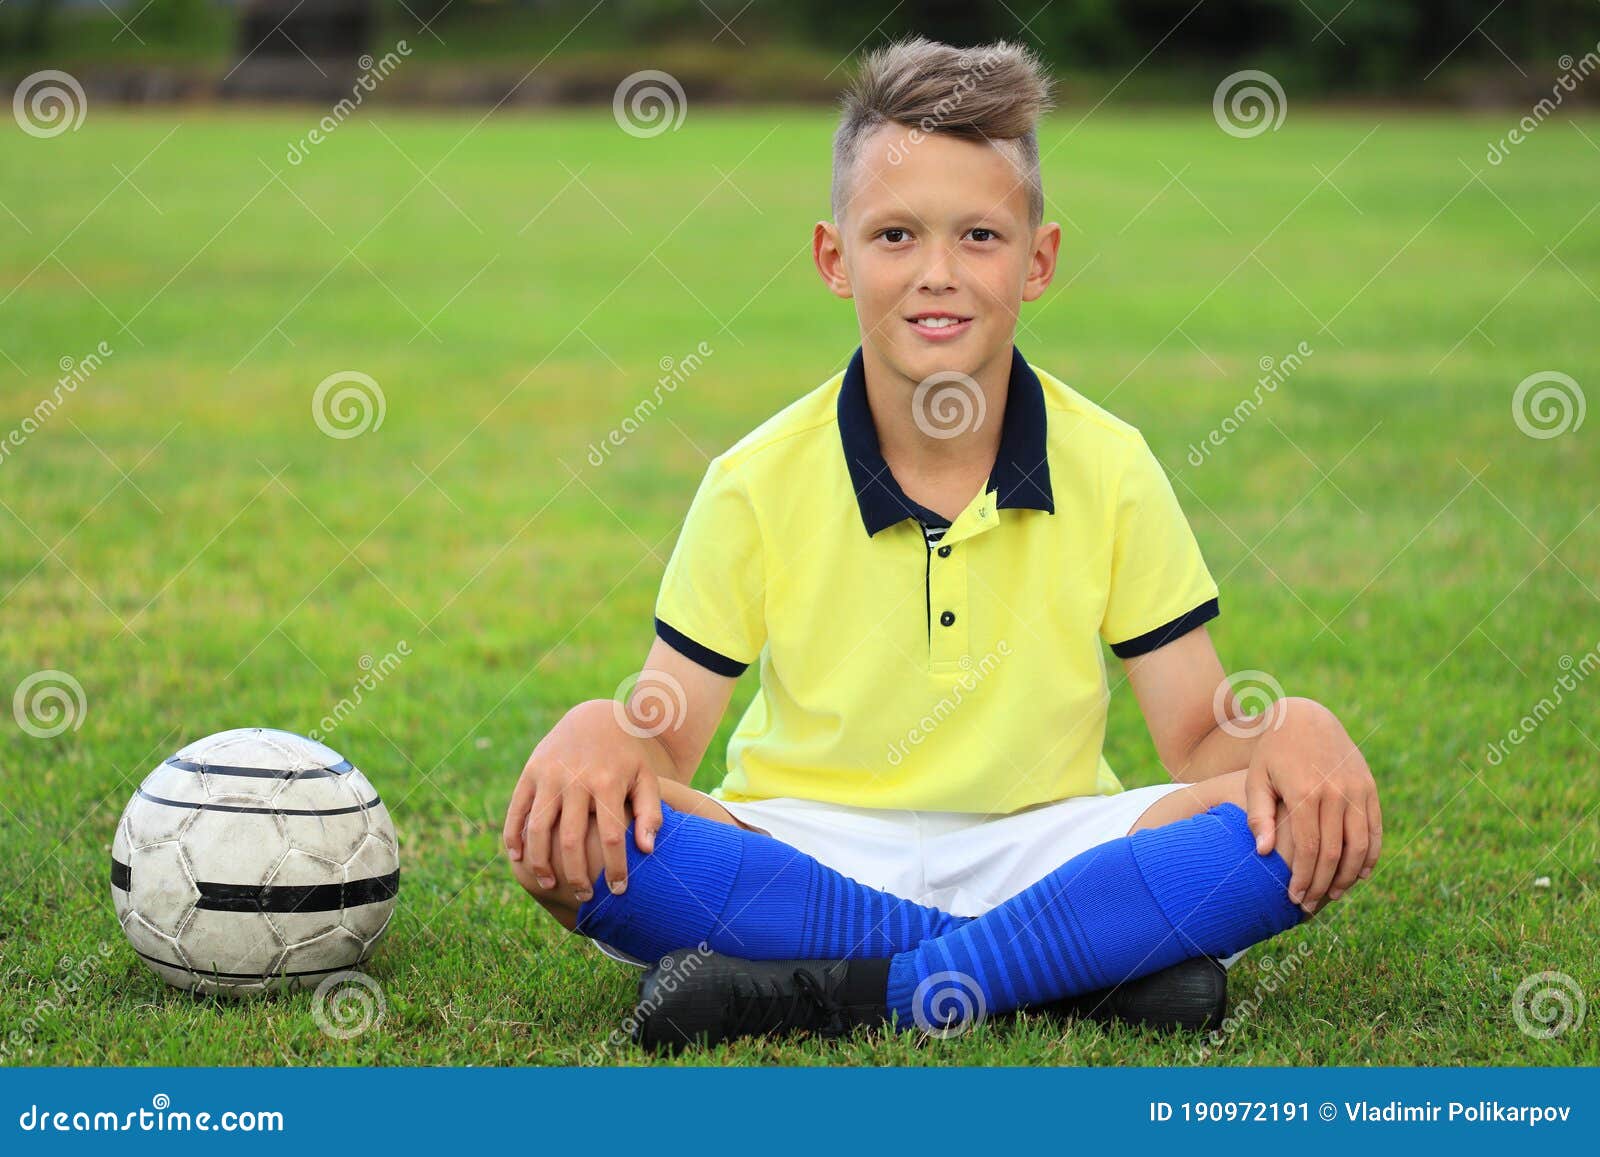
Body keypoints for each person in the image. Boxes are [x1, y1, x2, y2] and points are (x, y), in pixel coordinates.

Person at [503, 35, 1381, 1053]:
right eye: (893, 236)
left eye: (977, 236)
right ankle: (1067, 968)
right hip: (804, 842)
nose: (937, 274)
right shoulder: (755, 478)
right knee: (574, 846)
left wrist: (1293, 728)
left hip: (1050, 842)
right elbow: (665, 743)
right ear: (835, 258)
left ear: (1036, 259)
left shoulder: (1111, 462)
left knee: (1284, 836)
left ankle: (823, 986)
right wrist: (599, 728)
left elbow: (1198, 742)